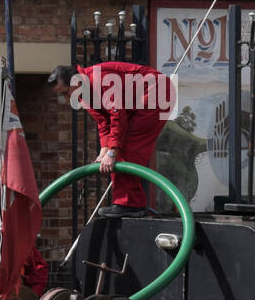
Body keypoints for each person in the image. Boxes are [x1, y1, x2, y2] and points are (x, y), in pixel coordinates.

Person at [48, 61, 171, 213]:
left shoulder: (98, 80)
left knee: (127, 148)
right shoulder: (83, 93)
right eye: (62, 95)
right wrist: (104, 151)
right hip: (137, 99)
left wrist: (112, 152)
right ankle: (129, 203)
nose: (66, 98)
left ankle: (130, 205)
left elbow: (117, 115)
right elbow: (104, 122)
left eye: (65, 93)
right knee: (118, 148)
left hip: (157, 92)